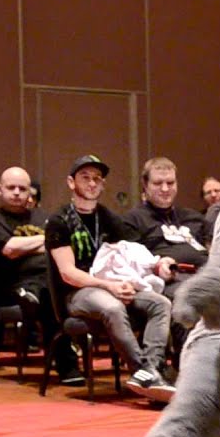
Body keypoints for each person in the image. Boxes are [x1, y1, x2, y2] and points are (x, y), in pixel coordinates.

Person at [45, 154, 174, 400]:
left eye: (97, 179)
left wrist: (158, 264)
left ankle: (153, 369)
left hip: (110, 285)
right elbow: (68, 273)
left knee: (161, 303)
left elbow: (136, 252)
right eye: (85, 178)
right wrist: (109, 285)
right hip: (77, 294)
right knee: (113, 307)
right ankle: (141, 370)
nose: (92, 183)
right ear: (71, 183)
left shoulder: (107, 217)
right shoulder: (59, 221)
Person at [0, 166, 82, 385]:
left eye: (22, 188)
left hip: (48, 283)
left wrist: (33, 245)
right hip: (9, 288)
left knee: (53, 290)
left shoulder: (43, 216)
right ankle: (68, 365)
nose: (16, 192)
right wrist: (47, 240)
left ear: (30, 192)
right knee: (48, 297)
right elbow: (10, 248)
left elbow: (64, 245)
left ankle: (35, 296)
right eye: (11, 187)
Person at [122, 157, 205, 299]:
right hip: (169, 282)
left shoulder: (193, 217)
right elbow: (130, 264)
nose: (165, 189)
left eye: (170, 183)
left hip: (207, 275)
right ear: (145, 185)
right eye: (158, 183)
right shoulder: (133, 220)